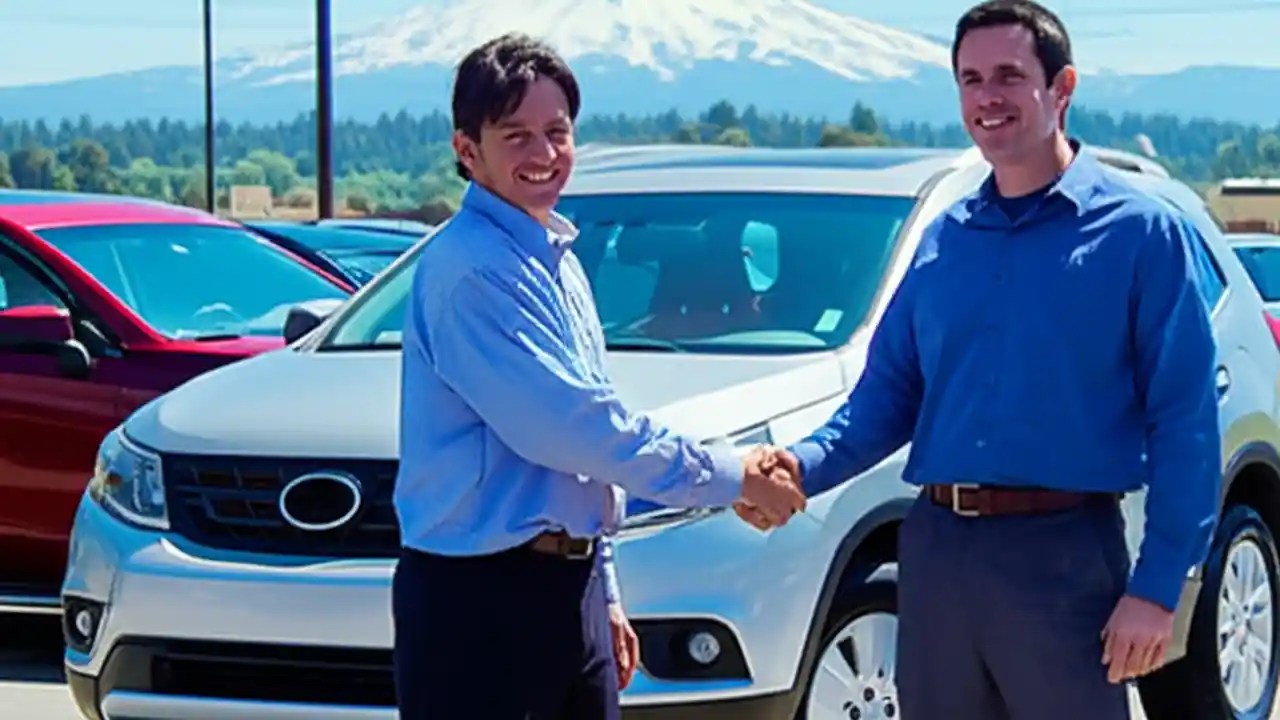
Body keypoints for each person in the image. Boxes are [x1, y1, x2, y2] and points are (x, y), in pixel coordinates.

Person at [738, 1, 1221, 717]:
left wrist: (1155, 590)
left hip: (1064, 558)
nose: (986, 98)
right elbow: (884, 401)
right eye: (969, 80)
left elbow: (1185, 424)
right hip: (936, 556)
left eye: (1007, 76)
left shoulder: (1142, 235)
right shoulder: (944, 240)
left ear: (1062, 89)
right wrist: (798, 467)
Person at [390, 33, 806, 720]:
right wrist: (734, 475)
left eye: (557, 132)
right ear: (468, 151)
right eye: (516, 135)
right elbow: (572, 430)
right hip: (482, 605)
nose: (544, 154)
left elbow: (585, 450)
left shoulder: (556, 255)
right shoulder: (473, 273)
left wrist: (604, 590)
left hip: (566, 586)